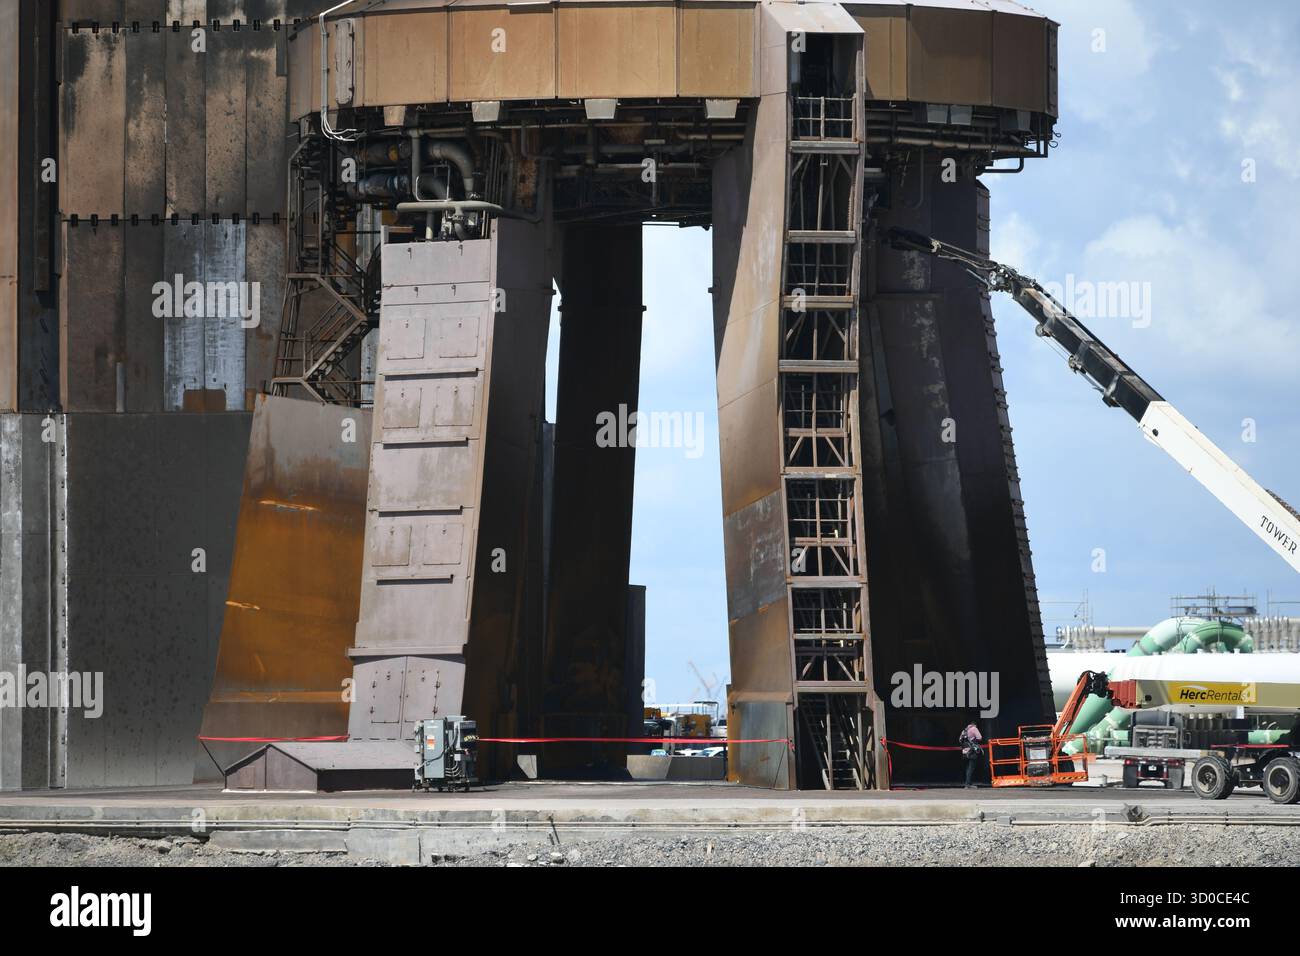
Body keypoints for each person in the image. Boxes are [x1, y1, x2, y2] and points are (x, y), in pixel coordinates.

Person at [959, 720, 983, 788]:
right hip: (972, 751)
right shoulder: (974, 728)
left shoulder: (964, 730)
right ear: (975, 725)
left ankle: (968, 783)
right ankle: (968, 784)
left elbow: (960, 740)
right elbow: (980, 737)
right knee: (971, 767)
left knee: (967, 767)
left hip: (965, 751)